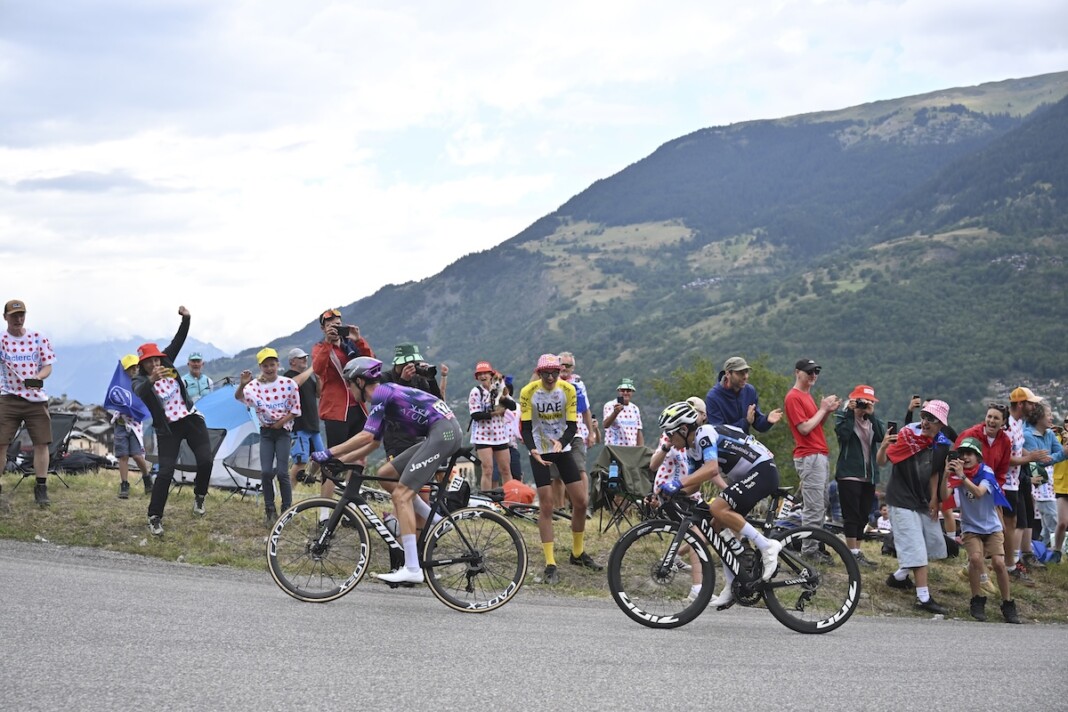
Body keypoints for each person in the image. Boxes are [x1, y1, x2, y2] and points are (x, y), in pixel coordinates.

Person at [310, 357, 463, 584]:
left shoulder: (382, 393)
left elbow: (366, 436)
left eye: (350, 385)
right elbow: (373, 443)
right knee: (385, 474)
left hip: (445, 433)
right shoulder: (383, 398)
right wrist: (342, 462)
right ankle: (438, 522)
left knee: (402, 494)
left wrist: (329, 453)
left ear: (361, 382)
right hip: (439, 432)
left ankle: (412, 568)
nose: (350, 391)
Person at [657, 401, 783, 609]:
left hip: (763, 470)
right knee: (716, 528)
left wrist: (677, 483)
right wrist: (669, 493)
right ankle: (732, 584)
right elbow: (694, 483)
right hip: (750, 475)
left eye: (670, 434)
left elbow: (712, 469)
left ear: (683, 428)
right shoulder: (691, 450)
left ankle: (767, 546)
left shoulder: (704, 433)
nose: (669, 440)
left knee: (717, 507)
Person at [520, 354, 602, 584]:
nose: (550, 377)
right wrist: (533, 449)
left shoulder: (568, 390)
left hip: (562, 448)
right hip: (539, 450)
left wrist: (562, 442)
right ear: (538, 373)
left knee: (581, 501)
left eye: (554, 372)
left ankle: (577, 553)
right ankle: (550, 563)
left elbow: (573, 425)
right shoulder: (528, 392)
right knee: (546, 504)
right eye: (545, 373)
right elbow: (526, 428)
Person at [133, 306, 213, 536]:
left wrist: (187, 318)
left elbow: (180, 338)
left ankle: (199, 496)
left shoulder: (167, 361)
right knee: (166, 472)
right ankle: (154, 517)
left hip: (190, 418)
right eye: (148, 362)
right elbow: (139, 391)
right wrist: (151, 379)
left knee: (205, 461)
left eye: (155, 360)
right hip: (168, 428)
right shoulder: (140, 379)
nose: (154, 364)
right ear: (143, 364)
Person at [876, 399, 951, 614]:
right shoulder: (907, 434)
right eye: (925, 416)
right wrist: (883, 446)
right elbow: (882, 462)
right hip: (900, 498)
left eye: (932, 419)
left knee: (933, 542)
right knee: (916, 546)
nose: (926, 422)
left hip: (922, 500)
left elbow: (935, 472)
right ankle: (923, 597)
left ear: (941, 424)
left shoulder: (942, 445)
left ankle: (898, 577)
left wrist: (935, 499)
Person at [951, 437, 1020, 623]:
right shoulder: (955, 474)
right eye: (962, 454)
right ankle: (977, 600)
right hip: (970, 526)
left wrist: (962, 477)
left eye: (970, 453)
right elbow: (943, 495)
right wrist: (945, 474)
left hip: (992, 526)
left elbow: (979, 492)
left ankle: (1008, 603)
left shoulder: (986, 472)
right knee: (975, 559)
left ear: (978, 457)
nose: (965, 457)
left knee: (998, 563)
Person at [312, 308, 374, 502]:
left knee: (359, 457)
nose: (335, 327)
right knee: (333, 460)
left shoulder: (351, 347)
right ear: (323, 328)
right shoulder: (319, 347)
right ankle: (324, 511)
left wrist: (358, 339)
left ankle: (348, 504)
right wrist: (328, 344)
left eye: (339, 324)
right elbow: (318, 370)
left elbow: (371, 363)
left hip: (359, 407)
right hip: (336, 410)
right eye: (331, 325)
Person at [0, 299, 57, 507]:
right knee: (1, 443)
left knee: (42, 443)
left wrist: (38, 379)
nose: (18, 319)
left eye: (21, 315)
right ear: (5, 317)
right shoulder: (1, 339)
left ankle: (41, 487)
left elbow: (48, 365)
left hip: (35, 400)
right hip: (8, 397)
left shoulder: (38, 337)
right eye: (14, 315)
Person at [236, 347, 301, 527]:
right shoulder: (255, 386)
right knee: (265, 472)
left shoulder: (289, 384)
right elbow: (239, 397)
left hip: (283, 433)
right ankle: (269, 510)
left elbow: (295, 410)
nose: (269, 368)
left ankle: (286, 510)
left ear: (278, 365)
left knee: (282, 472)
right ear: (260, 367)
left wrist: (281, 423)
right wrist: (242, 383)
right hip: (265, 433)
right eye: (266, 365)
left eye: (272, 364)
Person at [783, 358, 840, 561]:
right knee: (814, 505)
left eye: (816, 372)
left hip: (817, 454)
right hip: (809, 455)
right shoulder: (793, 397)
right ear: (797, 372)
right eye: (809, 372)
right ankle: (809, 550)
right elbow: (804, 428)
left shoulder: (806, 396)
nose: (813, 376)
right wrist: (823, 409)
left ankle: (815, 545)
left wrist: (825, 412)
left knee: (820, 502)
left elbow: (814, 425)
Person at [834, 384, 887, 569]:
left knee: (864, 513)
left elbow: (882, 436)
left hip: (869, 475)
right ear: (853, 400)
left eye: (869, 402)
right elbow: (843, 435)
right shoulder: (843, 417)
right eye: (862, 401)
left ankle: (856, 551)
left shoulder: (872, 420)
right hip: (849, 473)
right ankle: (851, 553)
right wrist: (850, 413)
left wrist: (871, 414)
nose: (865, 404)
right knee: (852, 513)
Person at [1004, 387, 1049, 584]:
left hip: (1016, 481)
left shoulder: (1018, 423)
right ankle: (1010, 563)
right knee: (1013, 524)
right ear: (1021, 404)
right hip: (1006, 482)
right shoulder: (1007, 426)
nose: (1034, 406)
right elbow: (1006, 459)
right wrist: (1030, 457)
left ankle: (1013, 562)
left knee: (1019, 521)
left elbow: (1019, 449)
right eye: (1030, 403)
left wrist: (1032, 455)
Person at [379, 342, 448, 458]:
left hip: (419, 439)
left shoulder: (418, 379)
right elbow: (391, 409)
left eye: (415, 363)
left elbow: (437, 403)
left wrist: (430, 379)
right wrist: (403, 382)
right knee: (397, 476)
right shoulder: (384, 379)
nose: (413, 367)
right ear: (400, 363)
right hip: (396, 442)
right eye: (410, 363)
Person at [556, 352, 597, 512]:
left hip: (577, 431)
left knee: (580, 469)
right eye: (562, 365)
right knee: (557, 472)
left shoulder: (579, 383)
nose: (564, 368)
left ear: (573, 368)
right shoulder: (552, 381)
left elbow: (586, 410)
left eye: (568, 366)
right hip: (556, 433)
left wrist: (591, 433)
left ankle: (583, 505)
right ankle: (560, 508)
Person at [1023, 402, 1064, 551]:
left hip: (1051, 484)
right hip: (1041, 486)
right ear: (1039, 416)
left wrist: (1056, 456)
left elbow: (1057, 456)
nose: (1052, 418)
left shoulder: (1050, 434)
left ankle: (1040, 551)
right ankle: (1057, 552)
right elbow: (1038, 463)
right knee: (1053, 521)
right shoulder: (1028, 435)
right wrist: (1058, 455)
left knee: (1048, 527)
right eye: (1049, 414)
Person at [705, 356, 783, 434]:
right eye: (740, 373)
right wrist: (745, 422)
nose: (745, 377)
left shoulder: (750, 391)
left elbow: (757, 422)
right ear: (728, 374)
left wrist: (767, 420)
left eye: (746, 372)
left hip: (744, 443)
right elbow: (719, 432)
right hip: (722, 445)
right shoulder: (713, 397)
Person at [110, 354, 152, 499]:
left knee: (137, 455)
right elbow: (114, 398)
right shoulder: (119, 384)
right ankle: (124, 484)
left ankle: (147, 478)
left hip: (135, 426)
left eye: (135, 367)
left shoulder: (141, 382)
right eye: (130, 368)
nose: (133, 370)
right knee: (123, 456)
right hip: (121, 424)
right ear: (125, 370)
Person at [468, 360, 514, 490]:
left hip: (500, 434)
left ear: (491, 375)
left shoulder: (500, 388)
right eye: (480, 374)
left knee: (505, 469)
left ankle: (510, 500)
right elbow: (475, 415)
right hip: (483, 435)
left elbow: (512, 406)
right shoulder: (476, 391)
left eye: (485, 374)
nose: (483, 376)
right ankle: (486, 501)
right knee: (487, 470)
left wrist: (503, 398)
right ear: (477, 377)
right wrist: (495, 413)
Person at [283, 348, 322, 488]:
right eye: (301, 358)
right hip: (300, 426)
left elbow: (319, 394)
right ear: (292, 361)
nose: (305, 359)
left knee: (321, 458)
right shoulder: (288, 376)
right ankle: (287, 497)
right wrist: (312, 368)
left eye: (306, 357)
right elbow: (294, 384)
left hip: (312, 425)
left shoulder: (308, 378)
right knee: (300, 462)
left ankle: (308, 477)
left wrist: (318, 378)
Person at [603, 378, 643, 447]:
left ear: (632, 392)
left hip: (631, 449)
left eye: (628, 390)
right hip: (614, 448)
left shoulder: (635, 409)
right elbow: (605, 424)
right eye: (622, 390)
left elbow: (638, 431)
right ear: (619, 391)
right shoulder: (610, 405)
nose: (625, 393)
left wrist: (641, 451)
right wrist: (615, 413)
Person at [1053, 417, 1068, 563]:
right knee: (1063, 522)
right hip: (1062, 484)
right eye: (1067, 421)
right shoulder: (1057, 438)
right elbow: (1052, 456)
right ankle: (1056, 551)